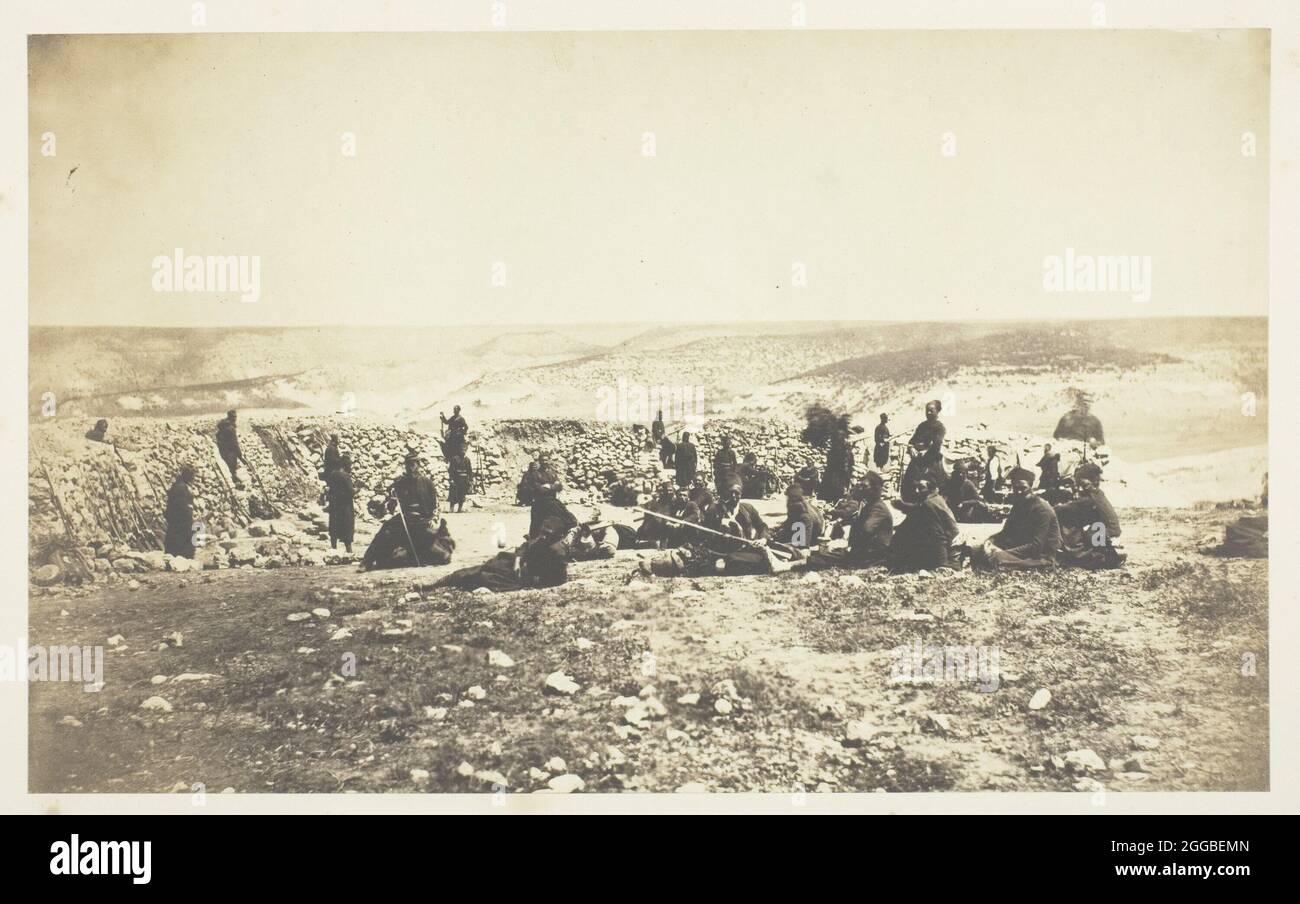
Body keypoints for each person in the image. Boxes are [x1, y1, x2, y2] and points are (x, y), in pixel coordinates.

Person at [362, 452, 453, 570]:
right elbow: (390, 507)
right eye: (408, 465)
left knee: (444, 557)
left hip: (422, 522)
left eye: (413, 465)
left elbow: (434, 506)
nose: (411, 468)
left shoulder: (427, 483)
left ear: (418, 464)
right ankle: (366, 561)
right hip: (405, 521)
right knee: (385, 530)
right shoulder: (400, 483)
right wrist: (393, 500)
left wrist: (432, 518)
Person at [969, 467, 1062, 570]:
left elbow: (1036, 546)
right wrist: (989, 541)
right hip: (1021, 552)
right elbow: (1006, 532)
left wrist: (1003, 552)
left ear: (1031, 487)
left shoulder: (1042, 509)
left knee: (996, 557)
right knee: (976, 550)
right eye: (1015, 488)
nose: (1018, 492)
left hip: (1040, 557)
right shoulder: (1018, 505)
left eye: (1023, 488)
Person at [807, 472, 893, 569]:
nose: (860, 489)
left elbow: (866, 530)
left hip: (873, 557)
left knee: (819, 559)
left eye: (864, 487)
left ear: (874, 489)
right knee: (820, 554)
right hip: (865, 553)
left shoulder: (878, 508)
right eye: (860, 486)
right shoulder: (869, 505)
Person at [1055, 463, 1124, 568]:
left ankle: (1089, 557)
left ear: (1095, 483)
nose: (1080, 489)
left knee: (1068, 522)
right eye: (1078, 485)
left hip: (1104, 534)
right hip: (1103, 535)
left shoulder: (1090, 499)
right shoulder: (1097, 493)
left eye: (1084, 485)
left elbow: (1064, 509)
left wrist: (1056, 507)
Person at [889, 475, 958, 573]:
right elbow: (915, 512)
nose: (917, 491)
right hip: (942, 542)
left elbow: (916, 510)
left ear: (931, 489)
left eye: (921, 488)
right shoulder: (935, 499)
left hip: (939, 546)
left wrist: (901, 505)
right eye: (916, 488)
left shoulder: (929, 503)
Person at [900, 400, 948, 503]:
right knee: (908, 484)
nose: (928, 413)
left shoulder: (940, 427)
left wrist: (926, 451)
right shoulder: (922, 426)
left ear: (937, 411)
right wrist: (911, 448)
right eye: (927, 411)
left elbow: (936, 445)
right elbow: (912, 441)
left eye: (931, 411)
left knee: (929, 485)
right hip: (917, 460)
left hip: (931, 460)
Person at [772, 483, 824, 548]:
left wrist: (781, 544)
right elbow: (790, 520)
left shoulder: (804, 515)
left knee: (779, 540)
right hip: (801, 530)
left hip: (811, 536)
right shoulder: (798, 507)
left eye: (788, 498)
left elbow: (804, 543)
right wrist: (778, 527)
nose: (787, 500)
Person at [164, 464, 197, 558]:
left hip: (177, 519)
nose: (193, 479)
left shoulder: (179, 486)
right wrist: (189, 512)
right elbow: (182, 506)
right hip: (180, 520)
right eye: (192, 477)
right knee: (182, 540)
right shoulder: (181, 488)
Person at [325, 454, 356, 554]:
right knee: (347, 527)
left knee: (334, 526)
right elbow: (351, 492)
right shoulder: (346, 476)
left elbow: (330, 489)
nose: (350, 467)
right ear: (345, 465)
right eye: (349, 465)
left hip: (334, 506)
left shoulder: (333, 474)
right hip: (345, 506)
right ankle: (349, 551)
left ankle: (333, 549)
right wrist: (359, 487)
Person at [216, 409, 246, 488]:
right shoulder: (231, 429)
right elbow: (234, 443)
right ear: (230, 417)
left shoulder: (223, 427)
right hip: (230, 452)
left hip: (223, 451)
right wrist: (240, 455)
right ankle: (236, 483)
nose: (235, 418)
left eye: (235, 416)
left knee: (229, 467)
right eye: (233, 416)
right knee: (232, 467)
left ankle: (235, 482)